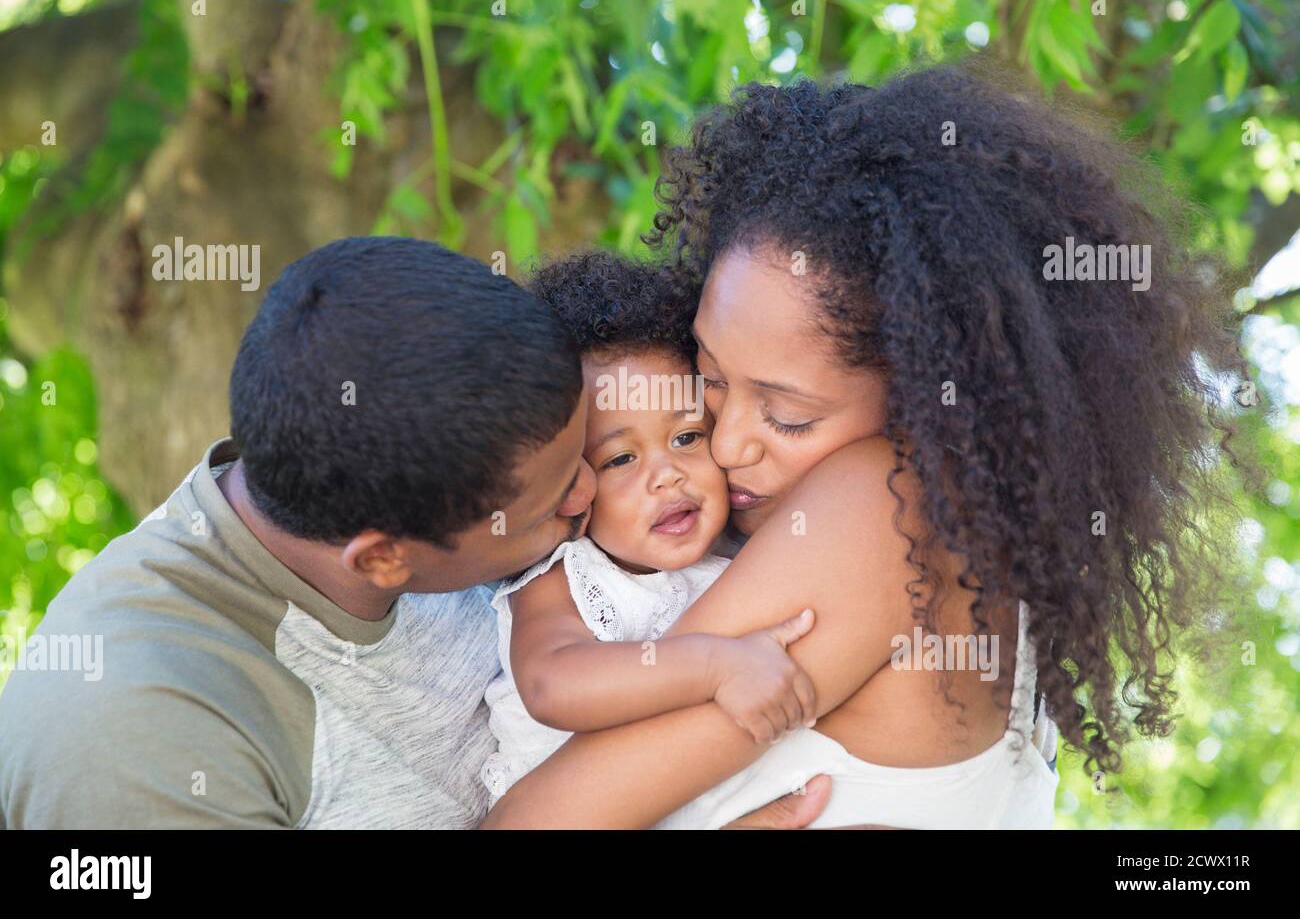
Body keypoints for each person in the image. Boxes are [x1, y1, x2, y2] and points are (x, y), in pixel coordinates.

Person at [483, 66, 1240, 828]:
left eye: (788, 416)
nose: (728, 443)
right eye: (709, 377)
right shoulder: (985, 567)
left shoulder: (882, 504)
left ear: (923, 399)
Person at [0, 236, 833, 828]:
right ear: (385, 557)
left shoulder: (413, 430)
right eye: (555, 499)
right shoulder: (135, 745)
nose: (588, 497)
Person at [480, 252, 819, 809]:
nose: (667, 477)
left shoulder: (737, 550)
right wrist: (715, 667)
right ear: (571, 478)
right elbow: (551, 684)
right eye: (620, 459)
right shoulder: (566, 577)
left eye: (687, 438)